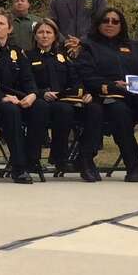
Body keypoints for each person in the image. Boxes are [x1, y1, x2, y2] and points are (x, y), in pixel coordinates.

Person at [75, 8, 138, 183]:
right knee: (120, 112)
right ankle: (133, 166)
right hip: (108, 98)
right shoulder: (88, 46)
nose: (110, 24)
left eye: (115, 21)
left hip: (137, 95)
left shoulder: (135, 46)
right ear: (98, 24)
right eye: (105, 21)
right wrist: (113, 86)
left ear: (121, 25)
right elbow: (88, 76)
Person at [0, 9, 46, 183]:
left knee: (41, 107)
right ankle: (19, 168)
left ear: (10, 29)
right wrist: (2, 97)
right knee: (11, 110)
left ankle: (31, 160)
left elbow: (28, 78)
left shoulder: (17, 52)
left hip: (17, 98)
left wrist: (33, 95)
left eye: (1, 23)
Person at [29, 18, 103, 181]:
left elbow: (76, 79)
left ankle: (85, 157)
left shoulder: (63, 57)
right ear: (35, 36)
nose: (45, 36)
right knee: (63, 110)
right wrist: (41, 93)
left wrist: (86, 93)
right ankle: (59, 157)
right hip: (42, 104)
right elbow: (24, 82)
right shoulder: (27, 56)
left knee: (95, 109)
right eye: (41, 32)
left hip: (68, 100)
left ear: (55, 36)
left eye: (49, 32)